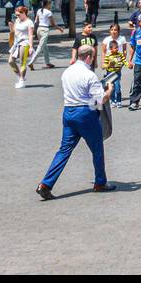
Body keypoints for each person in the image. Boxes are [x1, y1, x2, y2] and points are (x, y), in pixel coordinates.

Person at [36, 44, 114, 199]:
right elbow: (101, 99)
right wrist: (109, 90)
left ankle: (46, 183)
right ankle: (100, 182)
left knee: (64, 150)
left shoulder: (67, 72)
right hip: (86, 113)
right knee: (97, 149)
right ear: (89, 57)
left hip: (68, 112)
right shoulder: (89, 75)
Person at [29, 0, 62, 70]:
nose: (51, 5)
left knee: (45, 47)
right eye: (50, 4)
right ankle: (31, 62)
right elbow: (53, 24)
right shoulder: (49, 12)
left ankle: (47, 63)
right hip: (44, 30)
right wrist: (59, 28)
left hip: (39, 30)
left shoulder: (39, 11)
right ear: (47, 4)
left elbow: (36, 21)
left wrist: (34, 30)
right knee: (40, 47)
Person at [8, 5, 36, 88]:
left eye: (18, 15)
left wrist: (31, 47)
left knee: (22, 63)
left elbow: (30, 35)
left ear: (24, 13)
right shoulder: (17, 20)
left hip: (25, 43)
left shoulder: (29, 22)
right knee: (10, 61)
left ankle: (21, 81)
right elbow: (14, 32)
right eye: (16, 15)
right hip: (16, 43)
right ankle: (21, 76)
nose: (17, 16)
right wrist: (11, 27)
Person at [102, 26, 127, 107]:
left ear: (118, 31)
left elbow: (124, 52)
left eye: (115, 30)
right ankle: (113, 100)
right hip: (109, 70)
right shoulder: (106, 40)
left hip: (117, 69)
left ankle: (119, 100)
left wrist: (125, 64)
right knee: (110, 85)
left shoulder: (122, 39)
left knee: (117, 85)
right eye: (112, 30)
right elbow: (104, 52)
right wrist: (105, 64)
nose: (113, 31)